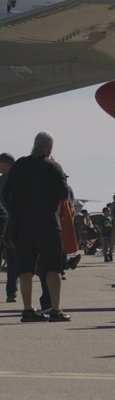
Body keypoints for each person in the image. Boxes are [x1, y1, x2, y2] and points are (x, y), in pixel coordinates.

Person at [3, 132, 71, 322]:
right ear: (49, 149)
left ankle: (27, 310)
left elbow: (6, 193)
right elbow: (63, 193)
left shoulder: (19, 166)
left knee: (25, 269)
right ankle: (56, 310)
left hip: (24, 227)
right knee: (53, 269)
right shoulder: (53, 167)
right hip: (48, 225)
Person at [0, 151, 16, 302]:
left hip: (8, 227)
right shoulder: (21, 180)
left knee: (12, 261)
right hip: (10, 226)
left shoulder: (17, 180)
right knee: (12, 261)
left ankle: (12, 292)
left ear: (6, 164)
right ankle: (11, 293)